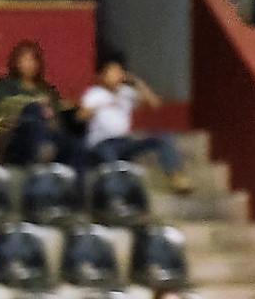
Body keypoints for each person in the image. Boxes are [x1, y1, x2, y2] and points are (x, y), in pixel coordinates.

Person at [78, 55, 194, 194]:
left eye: (119, 72)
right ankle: (117, 195)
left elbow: (155, 103)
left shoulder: (126, 93)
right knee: (112, 160)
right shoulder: (94, 94)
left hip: (125, 141)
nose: (117, 75)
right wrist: (101, 105)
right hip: (103, 142)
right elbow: (81, 116)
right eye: (112, 72)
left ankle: (175, 176)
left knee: (162, 135)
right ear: (103, 76)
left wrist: (137, 82)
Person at [0, 40, 71, 165]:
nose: (29, 64)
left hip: (48, 133)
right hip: (15, 136)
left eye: (32, 60)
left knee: (75, 145)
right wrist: (35, 103)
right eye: (25, 59)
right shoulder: (5, 85)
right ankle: (42, 149)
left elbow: (56, 121)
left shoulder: (46, 90)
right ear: (16, 62)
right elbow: (4, 106)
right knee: (33, 110)